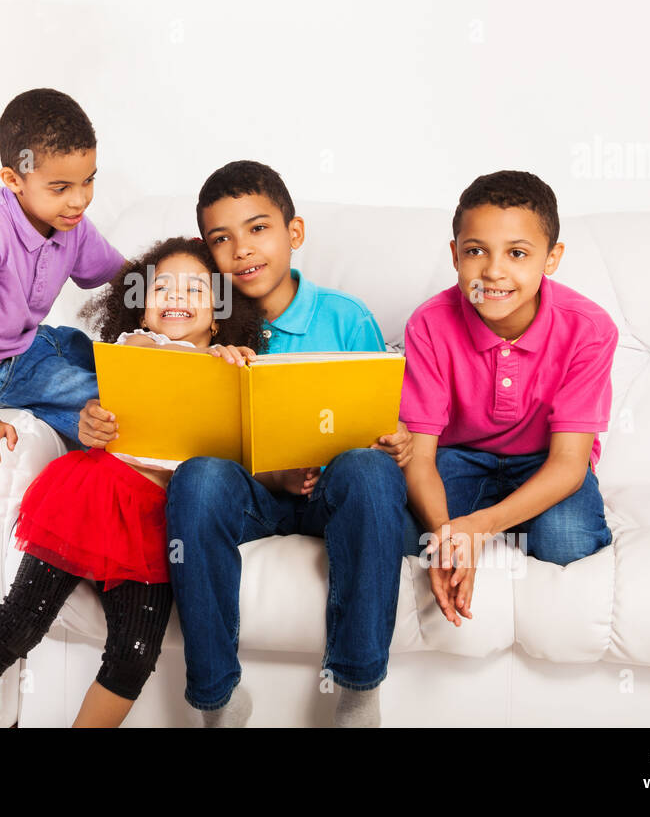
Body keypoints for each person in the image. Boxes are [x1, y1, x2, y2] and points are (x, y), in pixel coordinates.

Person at [79, 161, 414, 727]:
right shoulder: (205, 328)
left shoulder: (345, 317)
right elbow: (145, 405)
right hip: (253, 496)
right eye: (221, 239)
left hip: (335, 491)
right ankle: (218, 699)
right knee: (200, 477)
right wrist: (95, 416)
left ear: (294, 233)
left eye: (258, 229)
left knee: (370, 472)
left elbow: (381, 421)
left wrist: (396, 441)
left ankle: (358, 688)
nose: (242, 249)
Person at [0, 237, 266, 727]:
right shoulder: (141, 346)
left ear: (219, 313)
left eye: (195, 290)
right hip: (96, 497)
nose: (176, 298)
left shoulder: (233, 365)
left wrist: (232, 363)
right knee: (19, 622)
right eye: (161, 288)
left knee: (133, 656)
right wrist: (90, 421)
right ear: (142, 311)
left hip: (158, 524)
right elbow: (125, 389)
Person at [397, 170, 617, 626]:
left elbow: (570, 463)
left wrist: (480, 526)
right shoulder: (429, 324)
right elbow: (420, 458)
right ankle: (494, 520)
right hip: (460, 461)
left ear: (551, 258)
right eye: (476, 251)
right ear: (455, 255)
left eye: (517, 253)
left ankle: (506, 517)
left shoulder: (589, 329)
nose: (493, 271)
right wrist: (449, 541)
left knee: (566, 539)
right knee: (400, 534)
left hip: (544, 464)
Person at [0, 87, 125, 469]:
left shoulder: (70, 224)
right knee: (110, 396)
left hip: (32, 342)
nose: (79, 200)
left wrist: (175, 279)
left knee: (101, 357)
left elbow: (122, 274)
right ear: (14, 180)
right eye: (61, 188)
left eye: (88, 181)